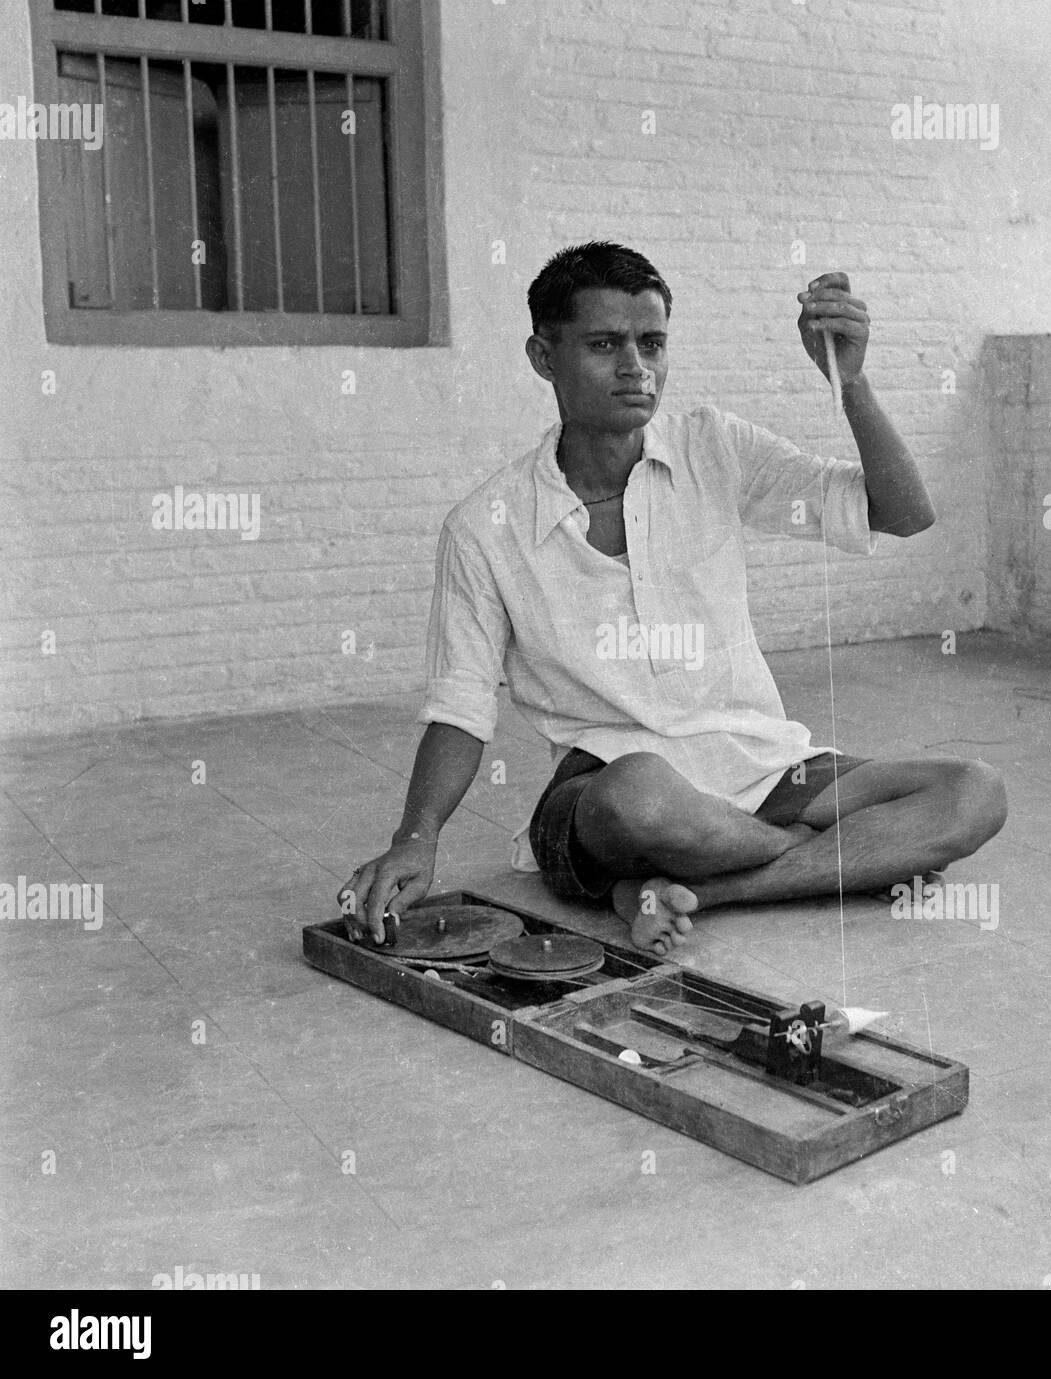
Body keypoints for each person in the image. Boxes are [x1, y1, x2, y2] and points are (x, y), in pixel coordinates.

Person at [339, 241, 1006, 954]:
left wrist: (852, 382)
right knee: (641, 796)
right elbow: (461, 708)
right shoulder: (485, 526)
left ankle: (707, 887)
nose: (637, 367)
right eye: (604, 344)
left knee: (974, 792)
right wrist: (416, 838)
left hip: (764, 766)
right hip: (610, 793)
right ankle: (824, 856)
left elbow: (902, 513)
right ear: (543, 356)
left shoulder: (712, 446)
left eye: (652, 343)